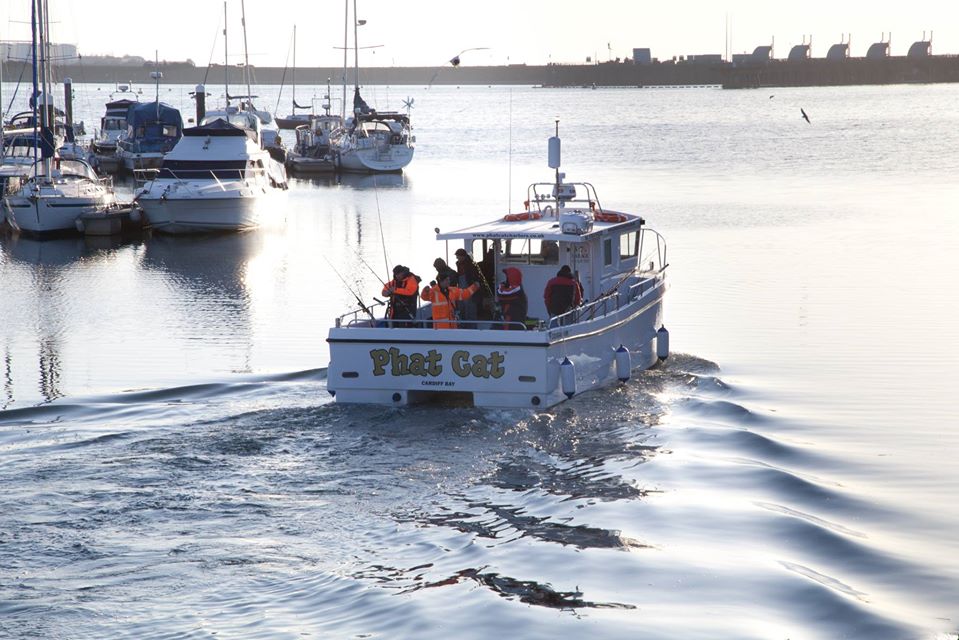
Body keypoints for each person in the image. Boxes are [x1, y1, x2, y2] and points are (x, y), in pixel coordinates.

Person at [454, 248, 483, 326]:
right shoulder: (459, 264)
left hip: (470, 289)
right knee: (462, 307)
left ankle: (472, 326)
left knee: (470, 308)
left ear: (463, 256)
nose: (457, 258)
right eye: (457, 256)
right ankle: (464, 324)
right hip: (461, 289)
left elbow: (475, 278)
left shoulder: (471, 266)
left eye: (458, 256)